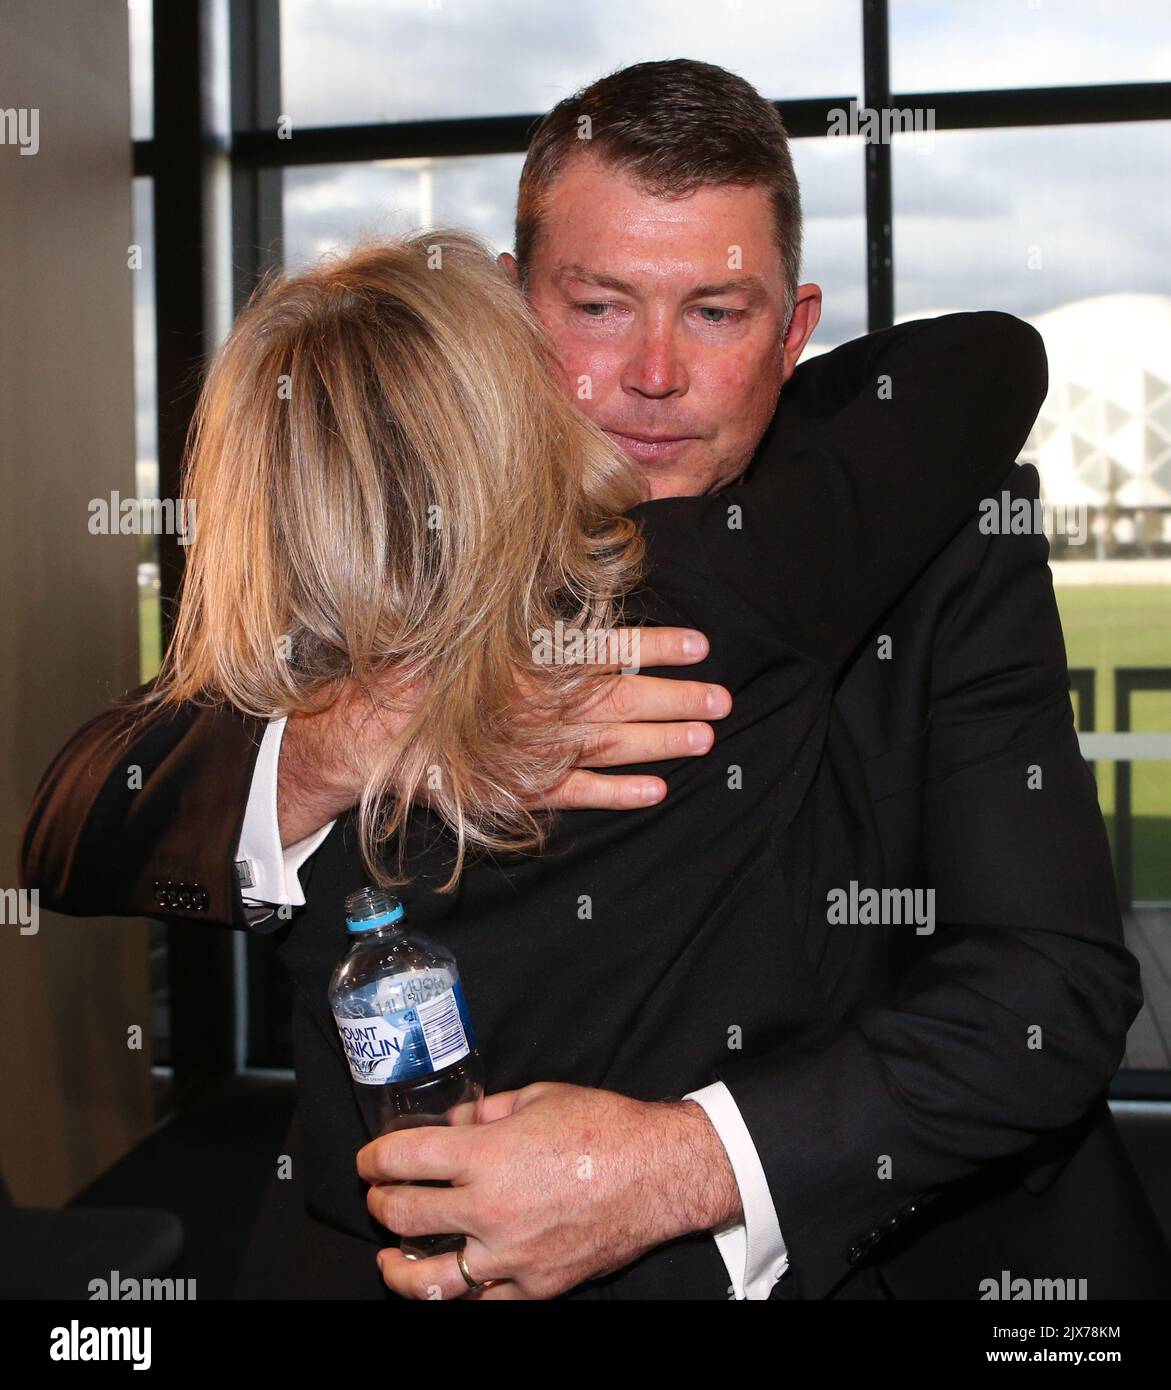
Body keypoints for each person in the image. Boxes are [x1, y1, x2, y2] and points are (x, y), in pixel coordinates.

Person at [21, 60, 1171, 1301]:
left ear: (795, 329)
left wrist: (687, 1165)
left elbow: (1047, 986)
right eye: (602, 307)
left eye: (718, 313)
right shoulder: (396, 521)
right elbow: (78, 820)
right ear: (516, 307)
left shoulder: (923, 521)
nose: (657, 376)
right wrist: (359, 733)